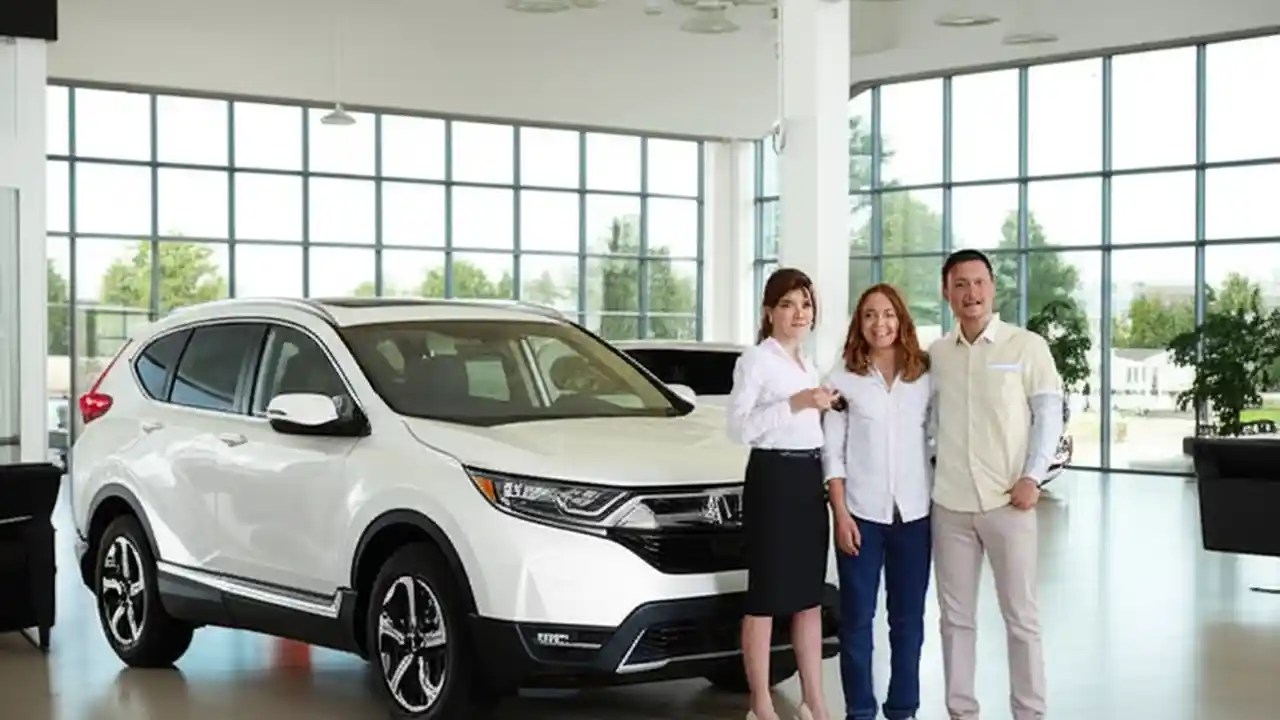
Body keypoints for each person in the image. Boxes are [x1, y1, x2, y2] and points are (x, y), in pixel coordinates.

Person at [928, 249, 1064, 720]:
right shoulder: (937, 355)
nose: (971, 293)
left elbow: (1049, 415)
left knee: (1021, 618)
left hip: (1009, 503)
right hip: (950, 506)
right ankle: (961, 712)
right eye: (960, 284)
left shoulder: (1026, 347)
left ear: (992, 287)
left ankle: (1029, 713)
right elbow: (926, 422)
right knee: (955, 620)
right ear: (946, 293)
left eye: (979, 282)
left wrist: (1033, 475)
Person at [726, 267, 838, 720]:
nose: (799, 313)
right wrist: (796, 403)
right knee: (766, 596)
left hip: (809, 479)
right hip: (773, 479)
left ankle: (815, 701)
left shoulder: (809, 363)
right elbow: (738, 428)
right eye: (788, 304)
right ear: (769, 311)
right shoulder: (756, 360)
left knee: (809, 597)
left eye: (806, 304)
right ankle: (761, 703)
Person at [822, 283, 934, 720]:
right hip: (860, 516)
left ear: (901, 320)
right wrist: (840, 513)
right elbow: (832, 453)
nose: (880, 323)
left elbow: (939, 435)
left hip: (915, 516)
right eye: (870, 314)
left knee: (908, 622)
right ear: (859, 323)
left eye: (888, 314)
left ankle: (903, 708)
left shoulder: (925, 375)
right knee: (856, 621)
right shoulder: (841, 379)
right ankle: (860, 711)